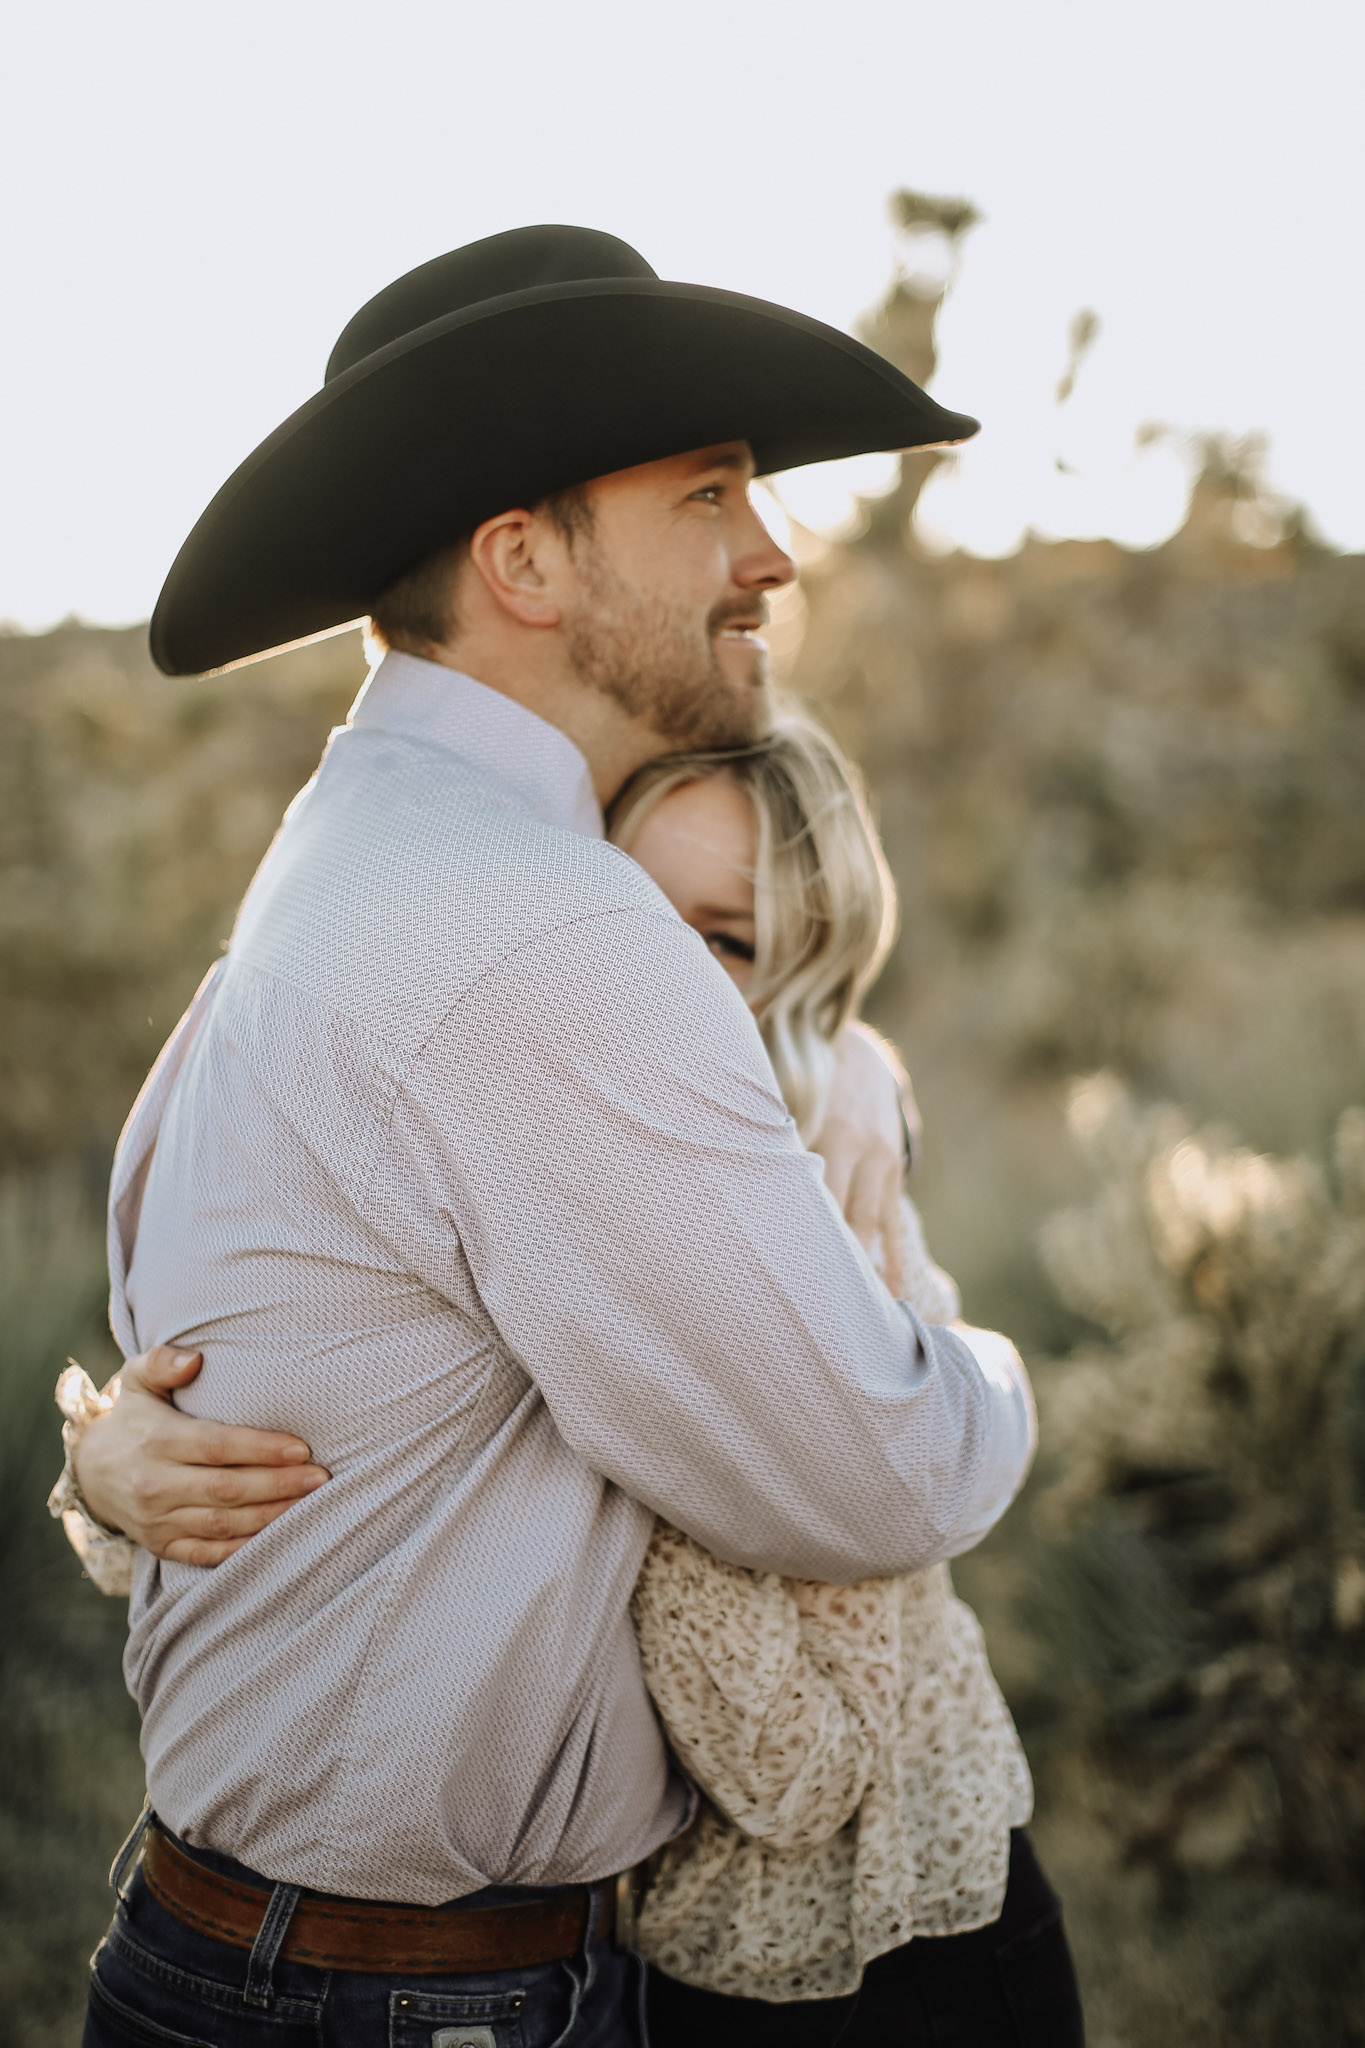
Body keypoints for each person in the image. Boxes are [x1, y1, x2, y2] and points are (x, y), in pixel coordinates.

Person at [55, 225, 1041, 2047]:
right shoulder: (534, 928)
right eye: (711, 495)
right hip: (403, 2006)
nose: (773, 555)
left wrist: (99, 1461)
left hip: (284, 1962)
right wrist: (981, 1368)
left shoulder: (346, 854)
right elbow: (860, 1476)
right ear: (523, 558)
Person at [79, 716, 1083, 2044]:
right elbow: (305, 1521)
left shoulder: (804, 1213)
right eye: (635, 916)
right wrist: (105, 1465)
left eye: (725, 943)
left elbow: (795, 1771)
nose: (660, 980)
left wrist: (666, 1463)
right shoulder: (533, 1140)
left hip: (885, 1962)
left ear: (806, 984)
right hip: (605, 1964)